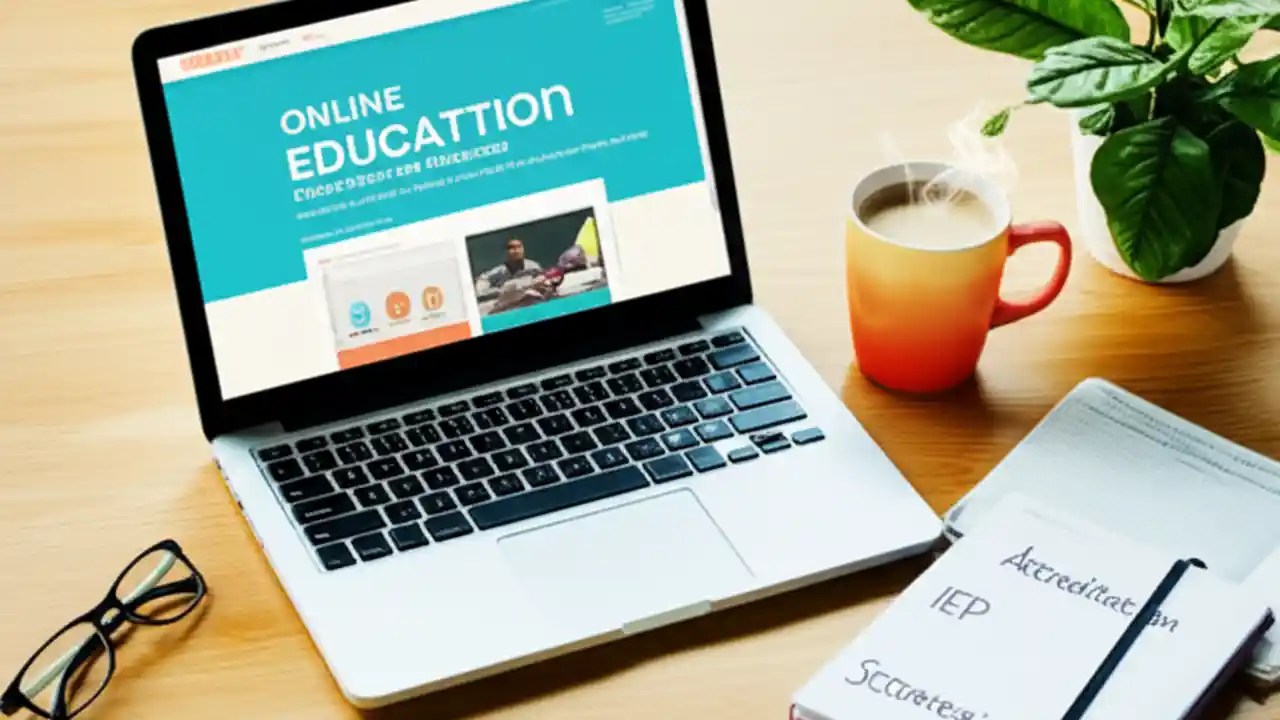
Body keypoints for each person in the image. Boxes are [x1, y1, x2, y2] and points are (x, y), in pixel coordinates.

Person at [475, 238, 542, 295]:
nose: (516, 250)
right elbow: (483, 279)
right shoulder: (500, 271)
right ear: (506, 252)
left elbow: (541, 280)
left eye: (519, 247)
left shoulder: (534, 267)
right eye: (511, 247)